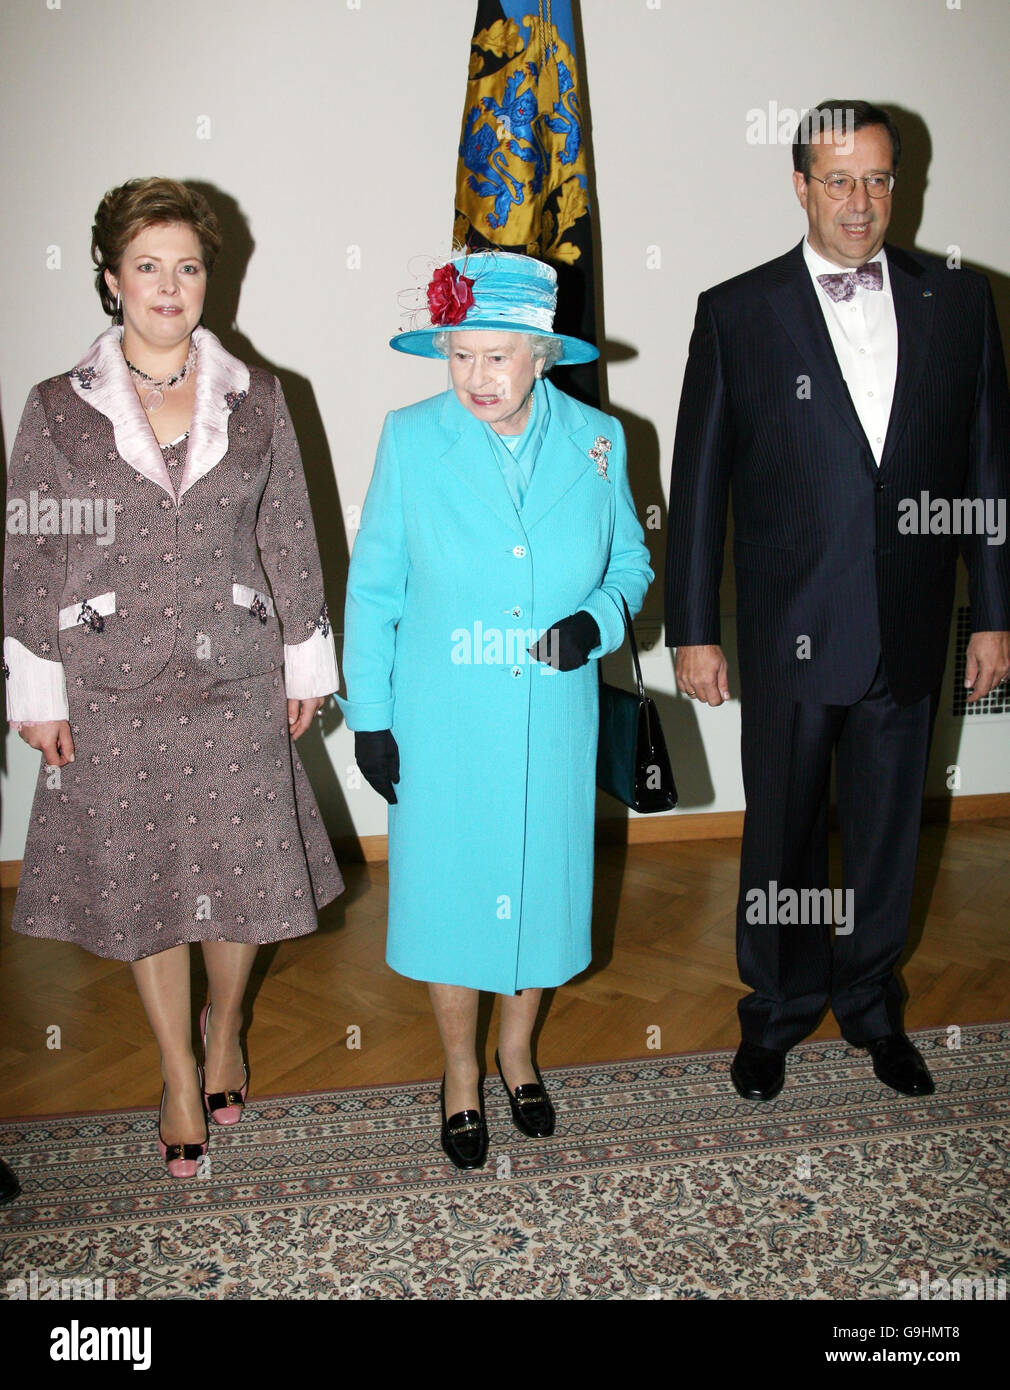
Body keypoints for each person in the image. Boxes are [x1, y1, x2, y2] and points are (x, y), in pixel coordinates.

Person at [665, 100, 1010, 1102]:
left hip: (906, 627)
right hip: (787, 633)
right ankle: (773, 1010)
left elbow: (989, 471)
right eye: (837, 180)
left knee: (885, 834)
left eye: (876, 180)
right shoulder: (736, 311)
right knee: (779, 832)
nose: (858, 202)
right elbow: (698, 487)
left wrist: (989, 612)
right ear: (798, 184)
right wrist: (692, 630)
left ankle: (869, 1004)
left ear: (895, 186)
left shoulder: (959, 300)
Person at [3, 178, 344, 1175]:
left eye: (187, 265)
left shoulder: (259, 397)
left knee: (244, 878)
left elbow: (288, 535)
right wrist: (38, 684)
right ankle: (176, 1071)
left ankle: (225, 1022)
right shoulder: (56, 412)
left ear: (208, 279)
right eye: (147, 266)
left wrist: (304, 655)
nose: (169, 284)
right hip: (113, 683)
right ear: (111, 280)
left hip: (236, 674)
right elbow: (29, 551)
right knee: (148, 882)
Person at [336, 250, 653, 1167]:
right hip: (443, 718)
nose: (476, 377)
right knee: (451, 896)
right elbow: (376, 586)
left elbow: (630, 561)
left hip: (553, 715)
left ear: (544, 353)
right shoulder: (409, 436)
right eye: (460, 355)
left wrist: (593, 623)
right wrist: (373, 715)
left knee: (544, 892)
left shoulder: (601, 440)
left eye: (497, 357)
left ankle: (518, 1055)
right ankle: (459, 1074)